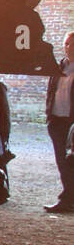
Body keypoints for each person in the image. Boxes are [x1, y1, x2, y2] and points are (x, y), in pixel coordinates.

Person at [44, 31, 74, 213]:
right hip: (57, 121)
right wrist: (49, 116)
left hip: (72, 123)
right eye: (68, 44)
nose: (70, 47)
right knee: (62, 162)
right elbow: (51, 92)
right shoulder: (59, 67)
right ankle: (67, 198)